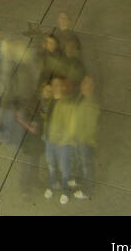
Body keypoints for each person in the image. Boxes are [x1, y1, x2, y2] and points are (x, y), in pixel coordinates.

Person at [43, 76, 76, 204]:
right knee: (51, 164)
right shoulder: (49, 100)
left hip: (62, 142)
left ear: (63, 87)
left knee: (64, 168)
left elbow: (72, 124)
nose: (55, 87)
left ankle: (65, 191)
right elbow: (44, 115)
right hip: (49, 139)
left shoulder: (68, 103)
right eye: (53, 84)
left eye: (58, 84)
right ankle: (52, 184)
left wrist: (65, 139)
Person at [70, 75, 100, 200]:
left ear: (92, 88)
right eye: (83, 83)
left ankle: (88, 190)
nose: (83, 85)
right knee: (79, 160)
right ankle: (79, 179)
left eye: (87, 84)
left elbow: (90, 127)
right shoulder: (81, 97)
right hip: (77, 138)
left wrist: (80, 139)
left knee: (87, 165)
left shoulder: (91, 104)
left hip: (84, 141)